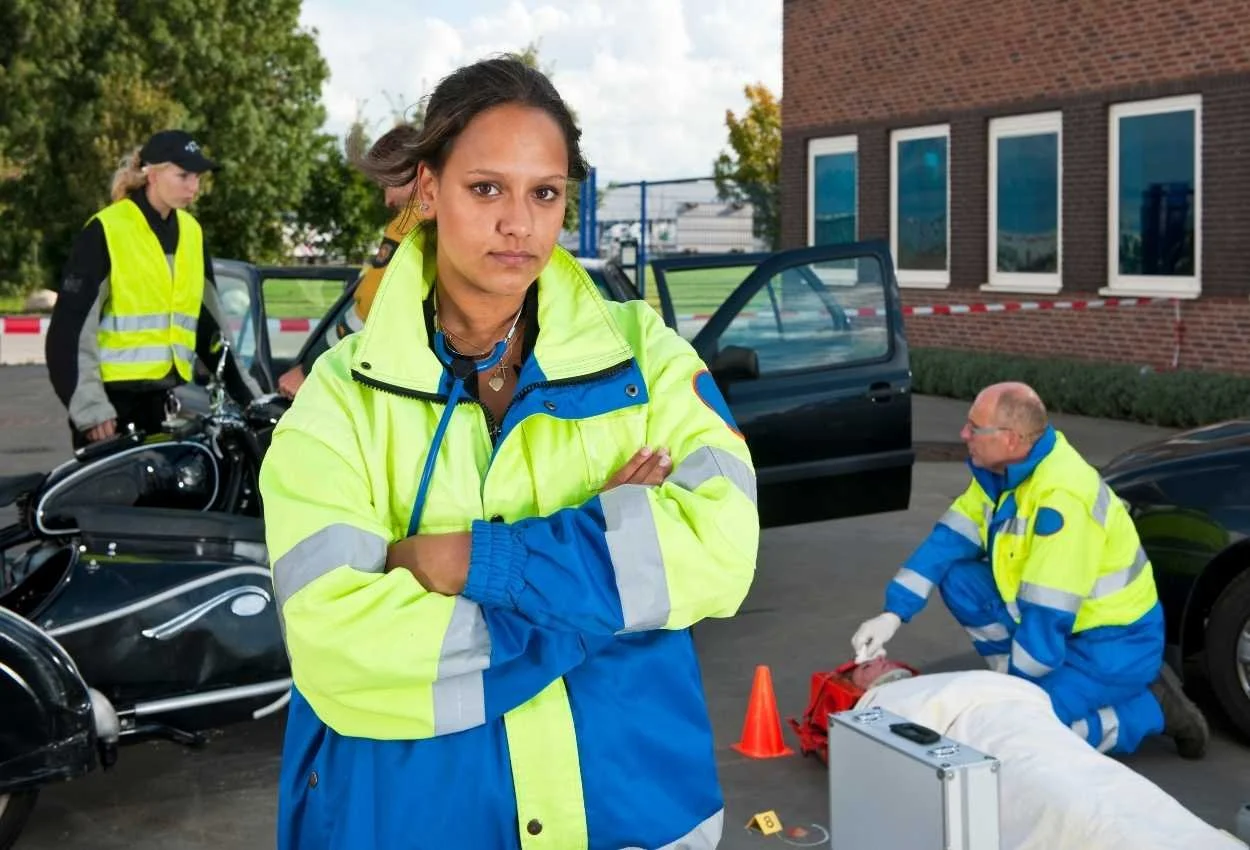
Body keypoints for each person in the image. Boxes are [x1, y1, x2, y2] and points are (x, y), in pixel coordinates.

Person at [258, 55, 759, 850]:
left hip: (632, 814)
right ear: (428, 189)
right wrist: (598, 595)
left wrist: (480, 563)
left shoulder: (646, 358)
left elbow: (722, 549)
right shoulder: (338, 401)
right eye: (486, 188)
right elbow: (335, 642)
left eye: (545, 193)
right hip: (418, 822)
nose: (518, 223)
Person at [850, 382, 1210, 760]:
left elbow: (1047, 617)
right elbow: (948, 540)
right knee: (958, 577)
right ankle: (1022, 677)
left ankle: (1151, 708)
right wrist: (893, 612)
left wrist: (1012, 698)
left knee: (1020, 732)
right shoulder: (1001, 474)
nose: (963, 434)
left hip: (1112, 646)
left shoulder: (1062, 500)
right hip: (1068, 631)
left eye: (974, 428)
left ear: (1009, 439)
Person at [46, 129, 258, 449]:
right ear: (152, 174)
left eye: (198, 176)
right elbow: (69, 332)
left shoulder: (191, 232)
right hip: (110, 412)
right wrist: (91, 411)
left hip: (164, 407)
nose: (194, 186)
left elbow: (212, 330)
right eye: (183, 174)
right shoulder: (107, 229)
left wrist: (253, 400)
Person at [275, 124, 421, 399]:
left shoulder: (411, 223)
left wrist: (309, 370)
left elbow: (366, 310)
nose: (387, 199)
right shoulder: (453, 219)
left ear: (404, 168)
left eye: (386, 183)